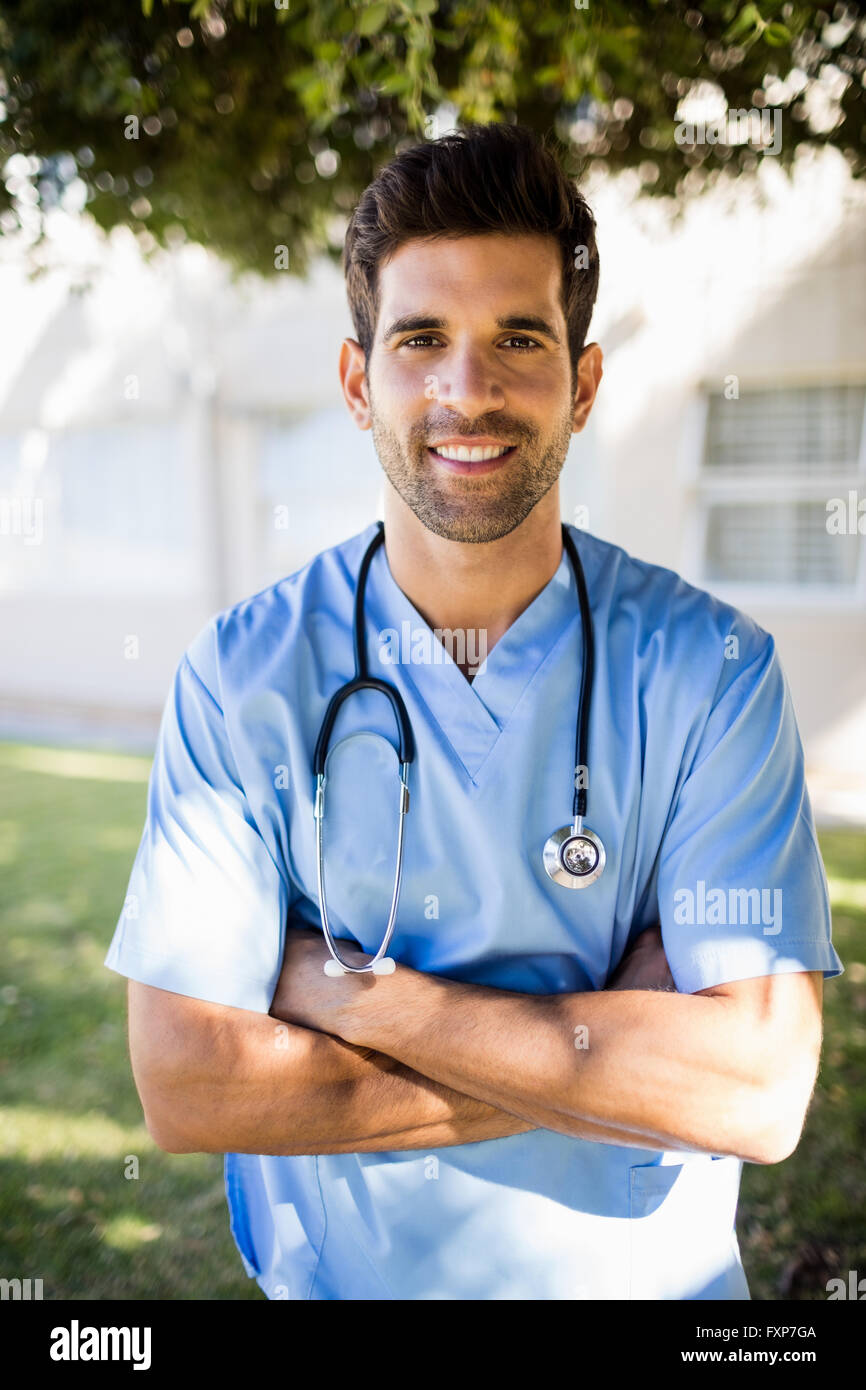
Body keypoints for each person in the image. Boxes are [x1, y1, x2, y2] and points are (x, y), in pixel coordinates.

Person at [106, 122, 843, 1301]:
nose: (468, 390)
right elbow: (190, 1085)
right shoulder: (242, 678)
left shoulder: (709, 672)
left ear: (581, 383)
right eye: (420, 340)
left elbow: (754, 1090)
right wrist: (599, 1049)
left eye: (517, 337)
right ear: (358, 383)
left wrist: (351, 994)